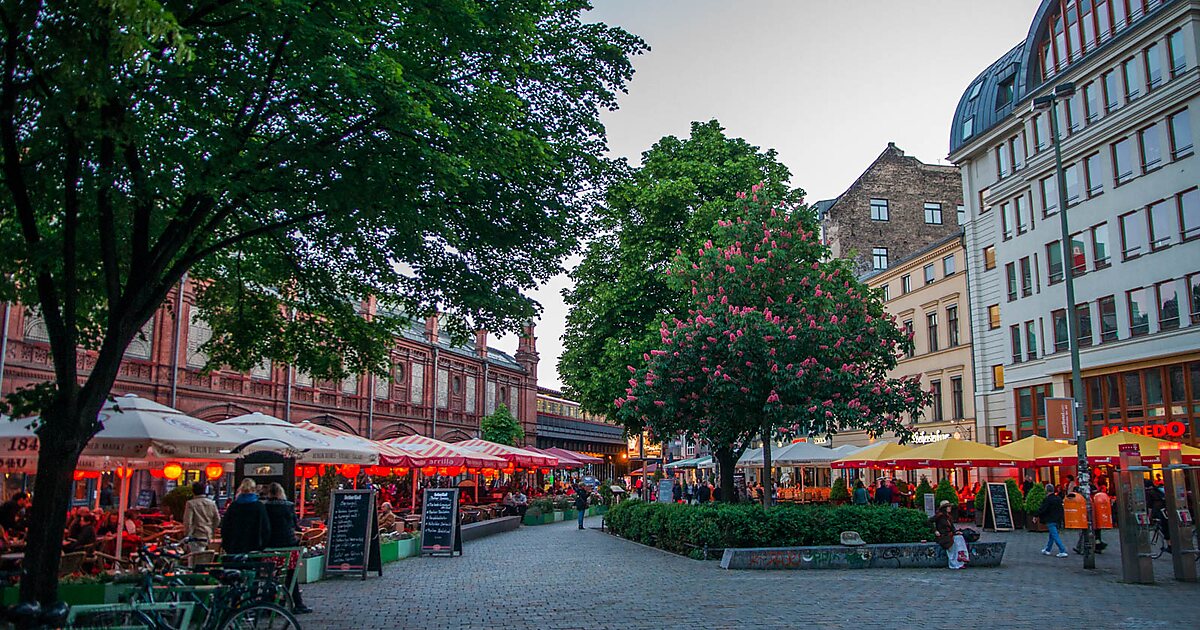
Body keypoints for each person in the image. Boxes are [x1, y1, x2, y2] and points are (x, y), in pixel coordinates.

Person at [263, 483, 311, 615]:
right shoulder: (288, 506)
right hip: (288, 544)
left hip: (270, 546)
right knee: (290, 574)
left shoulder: (264, 507)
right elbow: (294, 525)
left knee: (271, 575)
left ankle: (272, 603)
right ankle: (298, 603)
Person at [220, 478, 271, 554]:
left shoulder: (233, 506)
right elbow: (266, 528)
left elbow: (225, 527)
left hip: (235, 547)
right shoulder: (259, 507)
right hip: (254, 547)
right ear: (254, 489)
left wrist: (227, 545)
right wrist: (262, 546)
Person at [183, 482, 220, 554]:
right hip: (207, 535)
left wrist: (187, 534)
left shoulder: (190, 503)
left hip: (196, 536)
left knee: (195, 559)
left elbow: (188, 522)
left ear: (193, 491)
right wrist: (212, 529)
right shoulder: (212, 503)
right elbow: (217, 519)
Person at [1034, 483, 1068, 557]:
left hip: (1050, 519)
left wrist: (1036, 515)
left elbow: (1043, 509)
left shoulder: (1047, 499)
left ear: (1046, 490)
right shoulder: (1058, 498)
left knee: (1055, 535)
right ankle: (1047, 549)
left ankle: (1062, 550)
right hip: (1057, 519)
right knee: (1052, 535)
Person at [931, 500, 966, 569]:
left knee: (960, 538)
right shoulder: (939, 515)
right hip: (943, 536)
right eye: (948, 507)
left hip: (949, 534)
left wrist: (956, 532)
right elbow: (929, 521)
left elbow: (952, 527)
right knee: (951, 547)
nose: (950, 508)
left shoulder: (949, 517)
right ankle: (954, 564)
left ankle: (962, 557)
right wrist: (935, 531)